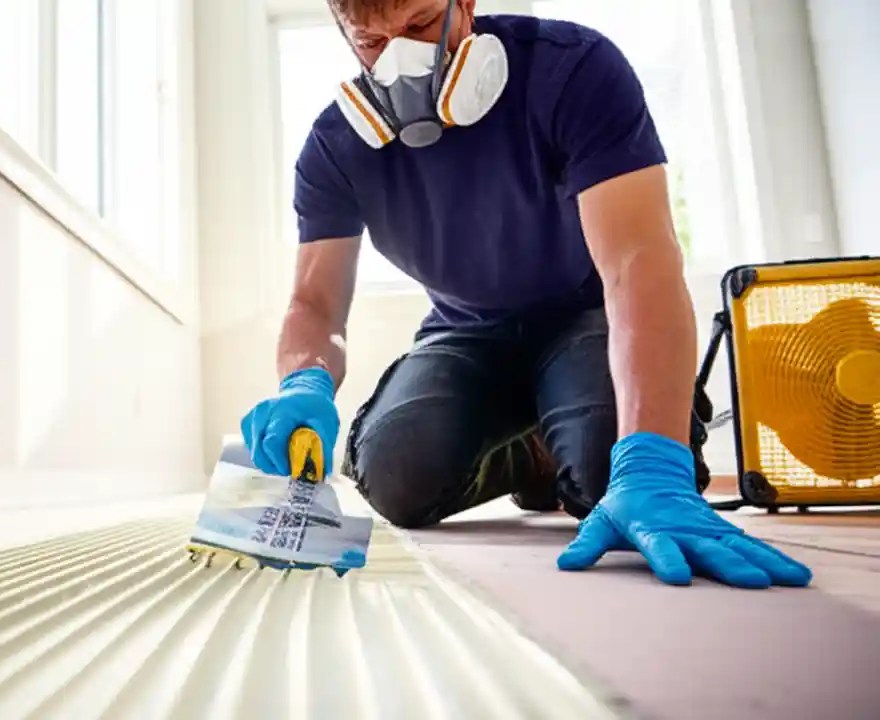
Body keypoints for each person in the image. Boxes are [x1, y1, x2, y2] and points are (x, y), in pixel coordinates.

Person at [240, 0, 812, 589]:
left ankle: (575, 441)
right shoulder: (336, 147)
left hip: (588, 315)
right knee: (396, 475)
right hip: (465, 334)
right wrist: (304, 383)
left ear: (465, 5)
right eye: (371, 42)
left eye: (419, 25)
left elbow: (638, 263)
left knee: (608, 470)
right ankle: (535, 452)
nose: (401, 60)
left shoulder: (573, 71)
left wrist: (655, 463)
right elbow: (315, 304)